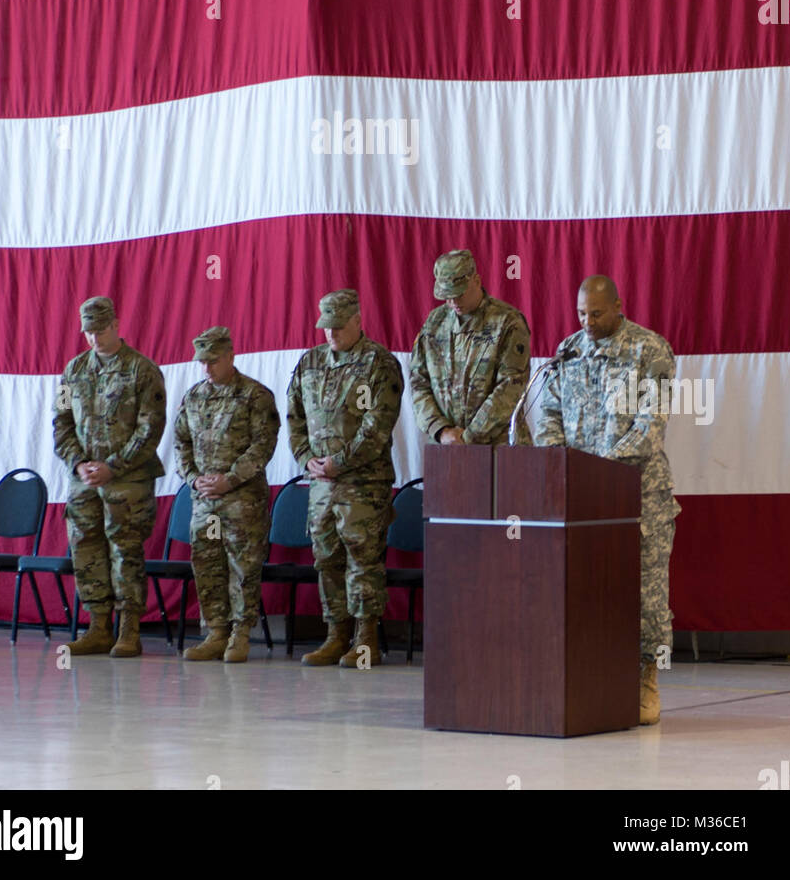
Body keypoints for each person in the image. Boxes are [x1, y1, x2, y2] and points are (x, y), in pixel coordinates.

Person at [537, 275, 680, 726]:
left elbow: (649, 427)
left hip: (640, 500)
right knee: (583, 592)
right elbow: (549, 414)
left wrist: (599, 470)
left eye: (596, 314)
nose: (587, 322)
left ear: (619, 306)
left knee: (645, 596)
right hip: (582, 500)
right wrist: (564, 464)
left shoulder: (650, 351)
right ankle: (591, 679)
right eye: (581, 313)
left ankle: (646, 679)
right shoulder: (568, 351)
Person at [287, 289, 403, 667]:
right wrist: (308, 460)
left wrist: (341, 461)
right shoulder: (310, 363)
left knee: (363, 562)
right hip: (321, 485)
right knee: (327, 560)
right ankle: (335, 636)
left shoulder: (377, 364)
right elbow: (295, 419)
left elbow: (377, 426)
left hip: (363, 485)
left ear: (357, 320)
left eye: (338, 326)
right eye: (326, 327)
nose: (331, 334)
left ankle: (366, 642)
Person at [52, 296, 166, 658]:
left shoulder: (142, 370)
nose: (94, 339)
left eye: (100, 330)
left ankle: (129, 629)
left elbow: (150, 429)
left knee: (125, 550)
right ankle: (98, 625)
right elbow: (61, 423)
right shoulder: (73, 371)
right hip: (84, 480)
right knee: (86, 548)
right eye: (88, 332)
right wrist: (78, 463)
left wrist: (113, 466)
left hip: (127, 480)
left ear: (116, 324)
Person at [174, 326, 280, 663]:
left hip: (241, 499)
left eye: (214, 361)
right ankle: (216, 631)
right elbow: (181, 443)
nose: (207, 368)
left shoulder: (255, 395)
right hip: (204, 499)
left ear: (231, 356)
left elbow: (263, 444)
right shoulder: (193, 396)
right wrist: (193, 479)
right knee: (207, 564)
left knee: (242, 566)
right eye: (202, 362)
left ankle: (240, 633)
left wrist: (230, 479)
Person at [410, 249, 532, 446]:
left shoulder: (508, 322)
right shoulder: (434, 323)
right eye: (447, 296)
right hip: (446, 447)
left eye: (459, 294)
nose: (453, 302)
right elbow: (419, 382)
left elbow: (511, 388)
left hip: (499, 447)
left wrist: (468, 437)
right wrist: (440, 430)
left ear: (476, 280)